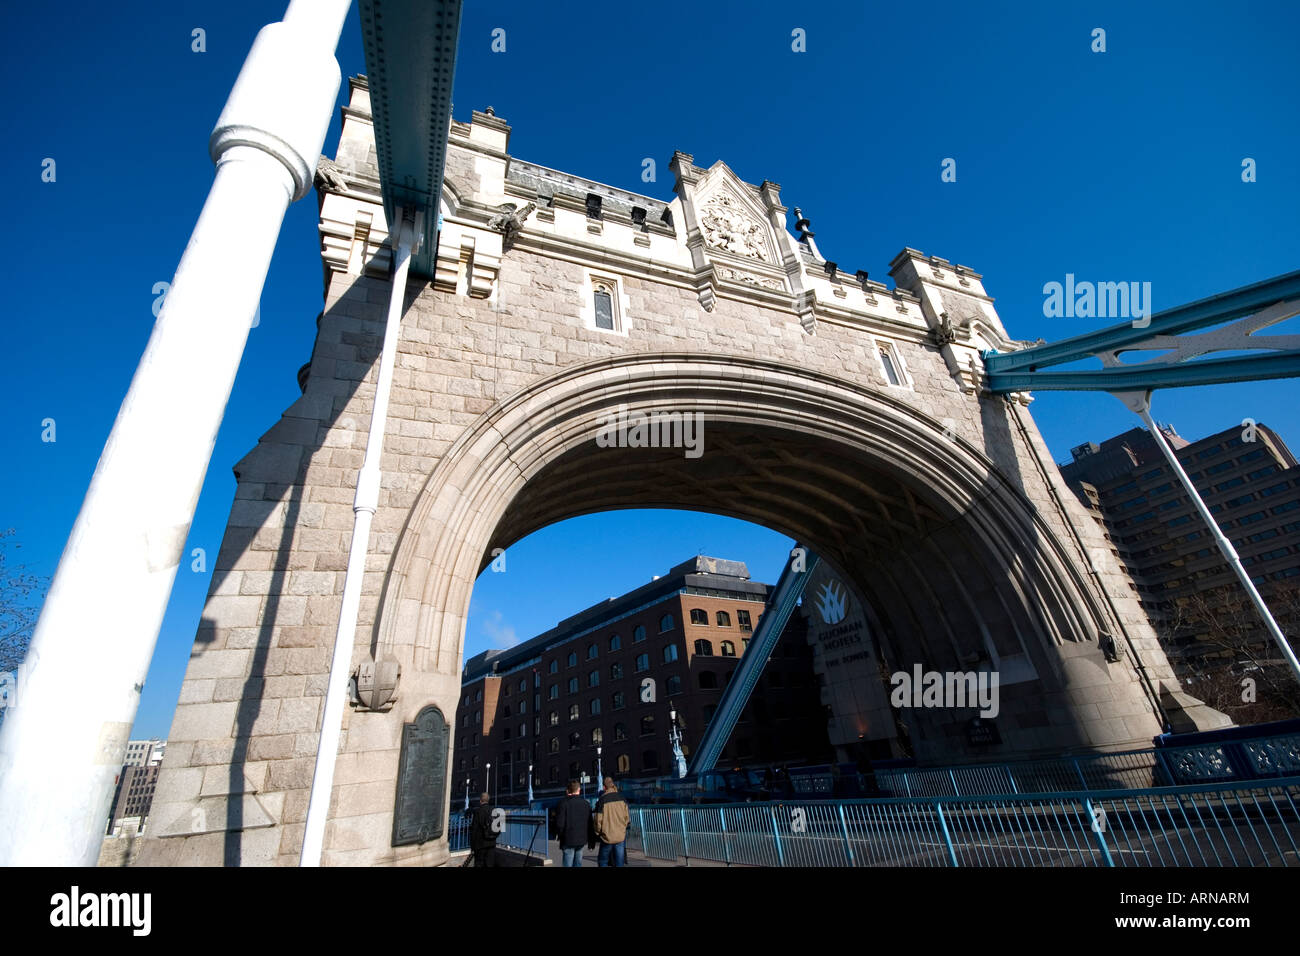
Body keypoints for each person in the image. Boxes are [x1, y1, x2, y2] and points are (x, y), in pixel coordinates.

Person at [592, 776, 630, 867]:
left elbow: (598, 820)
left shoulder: (602, 800)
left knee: (603, 860)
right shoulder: (622, 798)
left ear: (604, 787)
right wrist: (623, 828)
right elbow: (627, 817)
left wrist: (598, 832)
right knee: (619, 861)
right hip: (620, 835)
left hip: (607, 836)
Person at [554, 779, 591, 867]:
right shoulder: (586, 803)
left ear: (568, 790)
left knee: (568, 863)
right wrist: (591, 840)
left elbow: (560, 823)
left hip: (568, 839)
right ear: (579, 790)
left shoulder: (563, 803)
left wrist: (559, 834)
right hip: (582, 839)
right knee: (578, 863)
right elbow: (590, 823)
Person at [468, 791, 499, 867]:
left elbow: (474, 830)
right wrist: (493, 836)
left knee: (479, 863)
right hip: (491, 843)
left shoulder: (477, 812)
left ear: (480, 801)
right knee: (490, 864)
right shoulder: (494, 811)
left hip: (480, 844)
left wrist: (472, 846)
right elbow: (498, 827)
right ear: (488, 800)